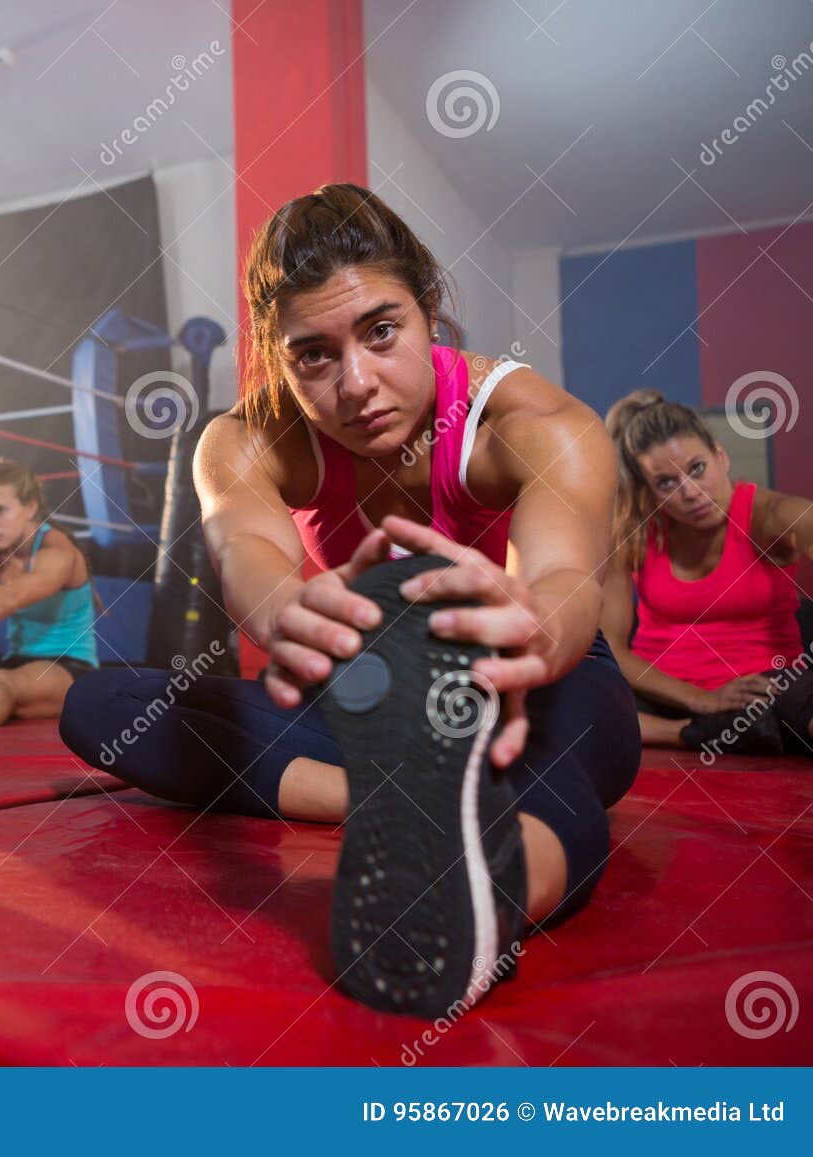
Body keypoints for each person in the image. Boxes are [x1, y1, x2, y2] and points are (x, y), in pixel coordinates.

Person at [59, 183, 641, 1018]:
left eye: (380, 332)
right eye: (314, 355)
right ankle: (407, 796)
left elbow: (564, 582)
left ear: (428, 312)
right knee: (106, 703)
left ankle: (485, 890)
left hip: (531, 686)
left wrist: (532, 628)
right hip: (373, 704)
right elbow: (250, 552)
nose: (358, 383)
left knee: (559, 745)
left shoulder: (533, 420)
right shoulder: (244, 441)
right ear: (278, 354)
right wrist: (285, 613)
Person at [600, 390, 813, 758]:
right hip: (662, 697)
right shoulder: (635, 533)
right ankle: (684, 733)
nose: (691, 492)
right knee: (574, 705)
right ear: (649, 493)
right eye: (666, 483)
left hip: (767, 689)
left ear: (720, 455)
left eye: (697, 468)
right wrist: (700, 700)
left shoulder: (771, 516)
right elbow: (612, 649)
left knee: (787, 703)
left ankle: (726, 729)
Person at [0, 458, 99, 726]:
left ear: (30, 507)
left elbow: (9, 598)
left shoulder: (57, 551)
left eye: (0, 510)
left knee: (4, 683)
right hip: (15, 661)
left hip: (69, 668)